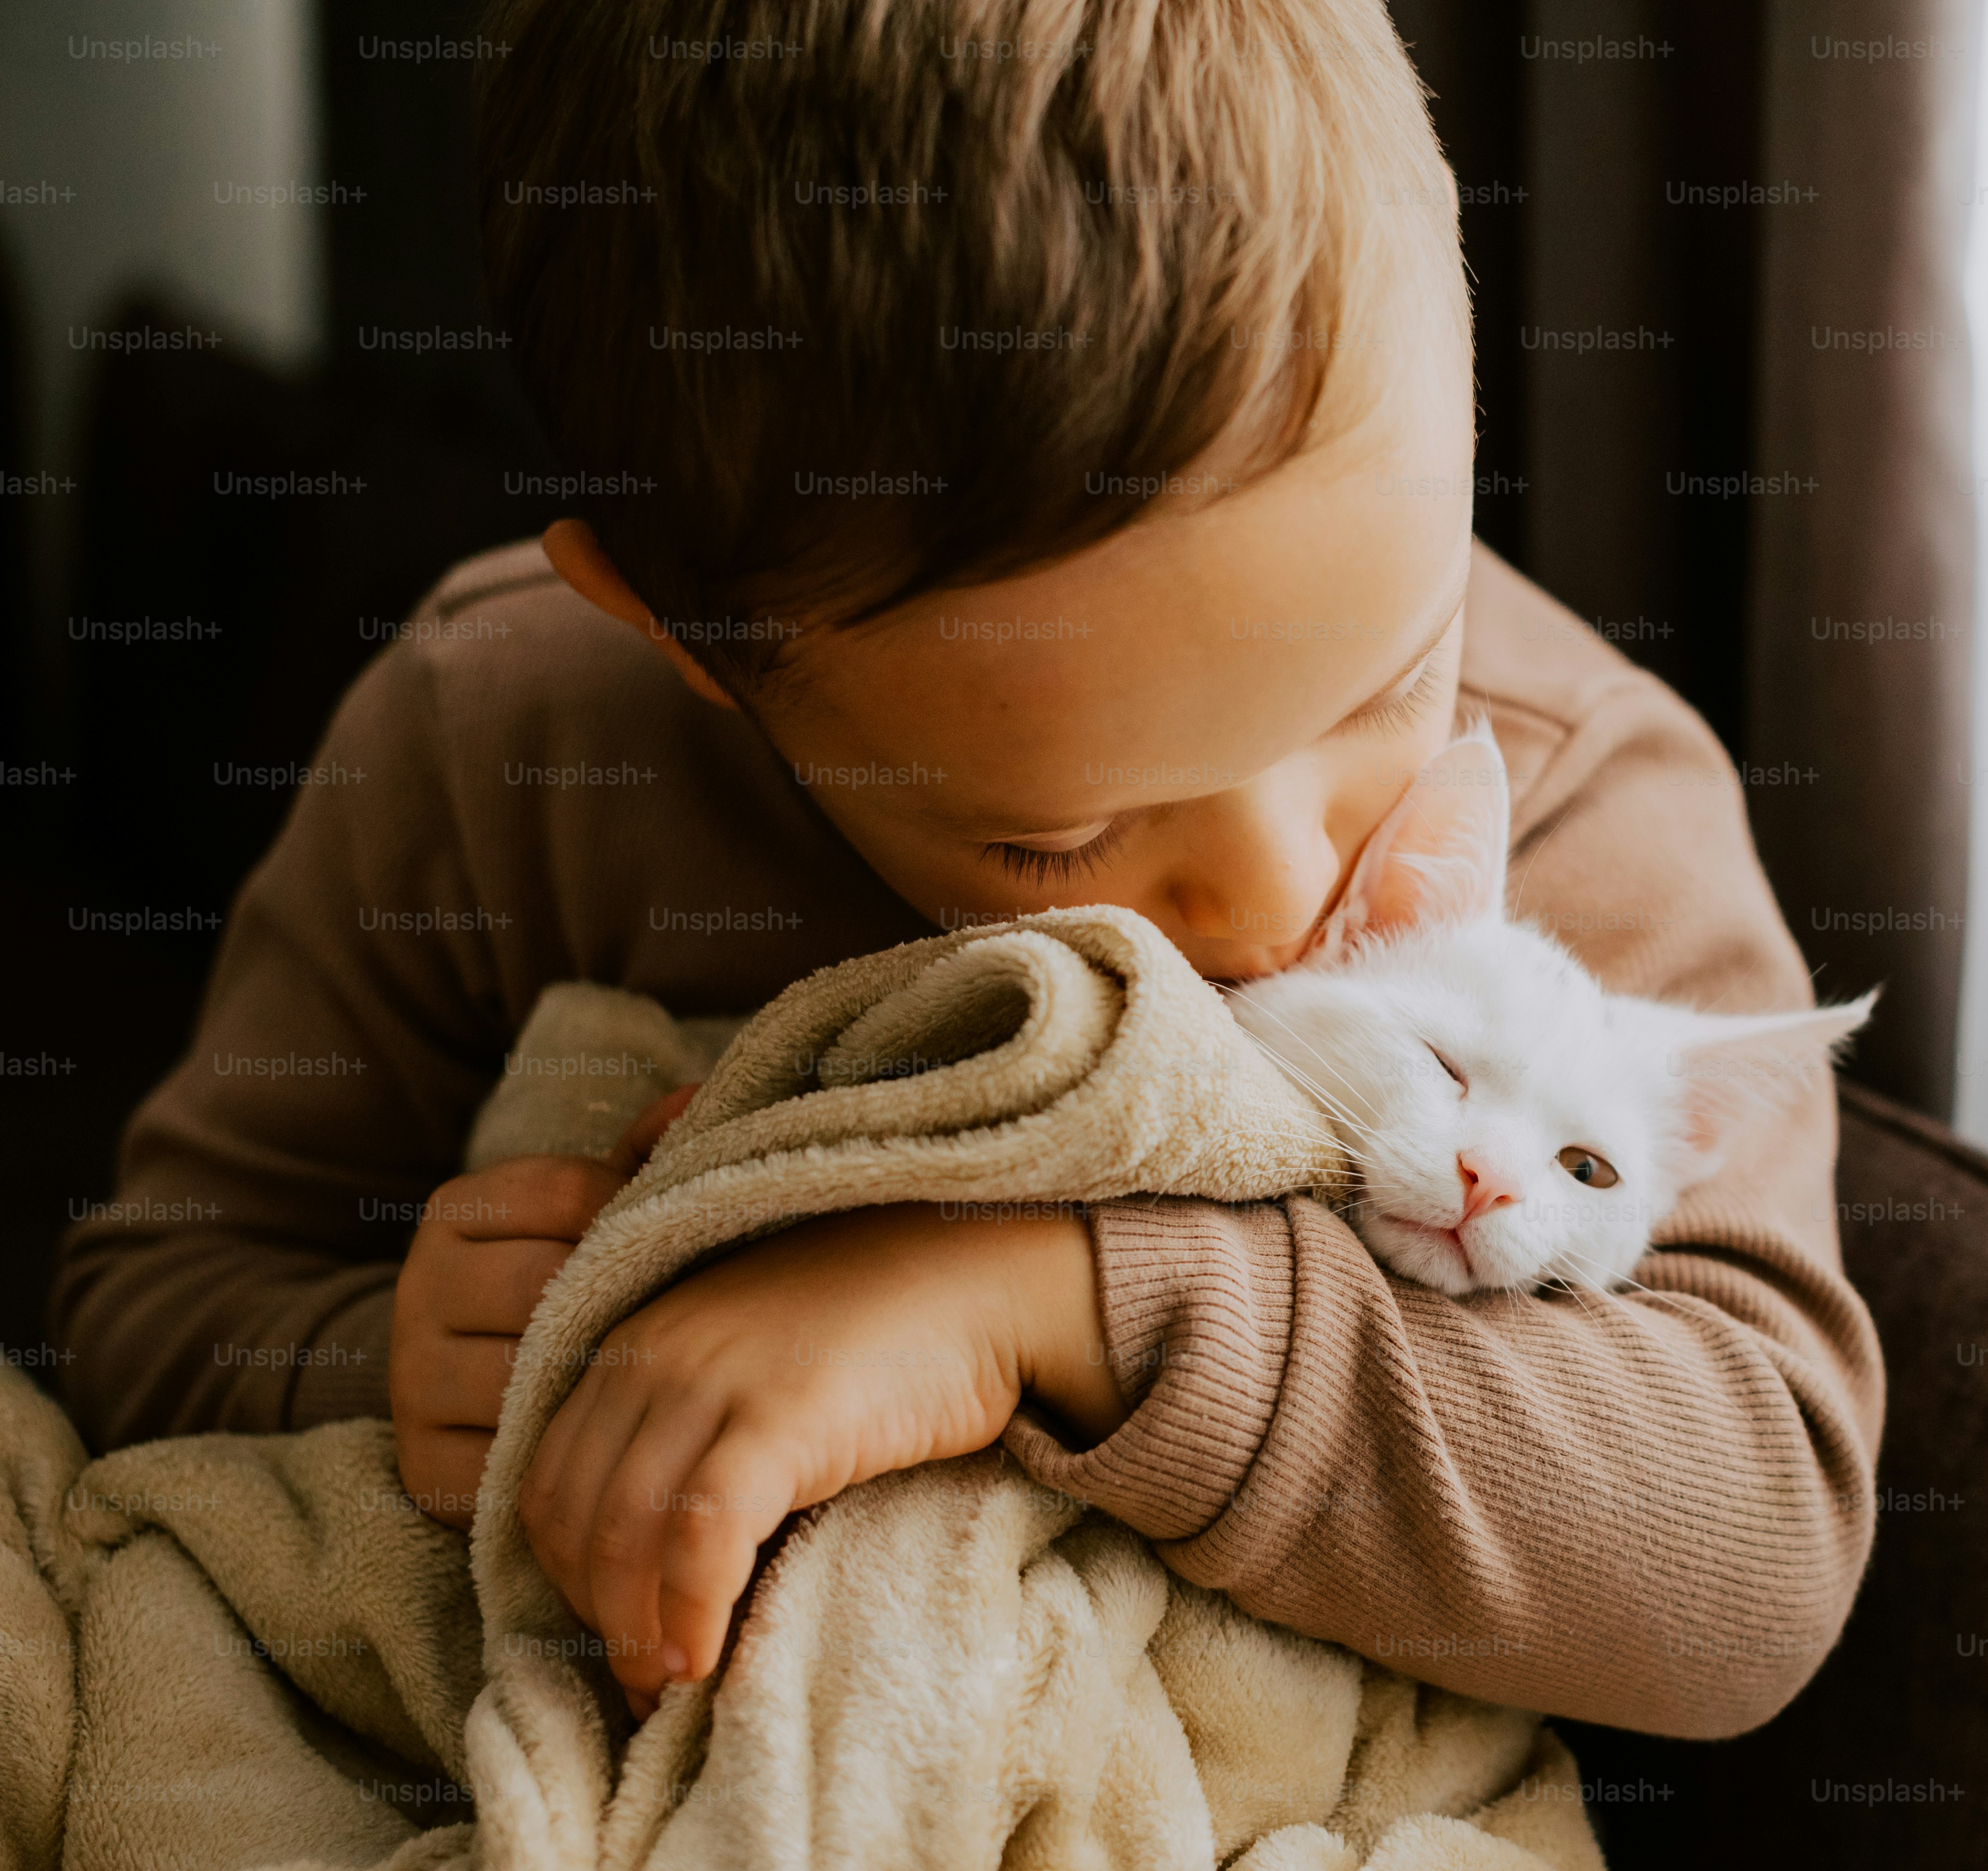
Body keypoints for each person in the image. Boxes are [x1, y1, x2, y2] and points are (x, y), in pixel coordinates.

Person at [53, 0, 1881, 1739]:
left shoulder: (1582, 783)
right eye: (1062, 834)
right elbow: (151, 1295)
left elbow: (1759, 1545)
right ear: (693, 639)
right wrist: (381, 1357)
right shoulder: (503, 741)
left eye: (1390, 676)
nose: (1267, 897)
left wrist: (1042, 1299)